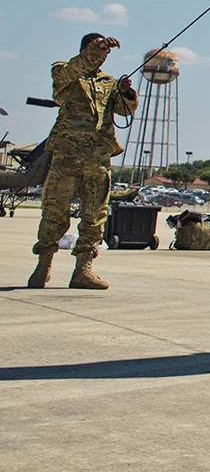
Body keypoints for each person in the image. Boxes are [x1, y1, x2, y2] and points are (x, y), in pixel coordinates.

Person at [29, 33, 139, 290]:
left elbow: (125, 110)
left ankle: (83, 270)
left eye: (105, 52)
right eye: (98, 50)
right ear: (85, 49)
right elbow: (75, 68)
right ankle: (43, 266)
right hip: (67, 157)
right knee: (54, 212)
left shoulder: (108, 83)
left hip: (97, 159)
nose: (103, 55)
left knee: (95, 216)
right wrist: (97, 49)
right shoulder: (65, 73)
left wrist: (126, 93)